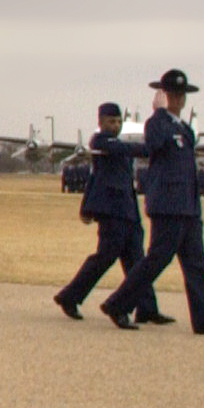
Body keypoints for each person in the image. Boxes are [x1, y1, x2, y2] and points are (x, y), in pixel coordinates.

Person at [99, 69, 204, 337]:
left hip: (187, 206)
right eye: (171, 94)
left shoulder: (185, 130)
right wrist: (160, 112)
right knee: (156, 259)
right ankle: (118, 304)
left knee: (197, 265)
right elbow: (154, 144)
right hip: (167, 205)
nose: (177, 99)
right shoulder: (157, 124)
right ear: (163, 96)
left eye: (180, 94)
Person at [53, 101, 147, 320]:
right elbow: (127, 151)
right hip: (112, 210)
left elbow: (97, 177)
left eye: (118, 122)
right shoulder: (101, 142)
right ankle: (70, 296)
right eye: (111, 122)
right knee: (105, 256)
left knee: (137, 259)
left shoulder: (116, 144)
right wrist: (154, 148)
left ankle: (146, 306)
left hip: (127, 209)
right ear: (101, 122)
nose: (116, 126)